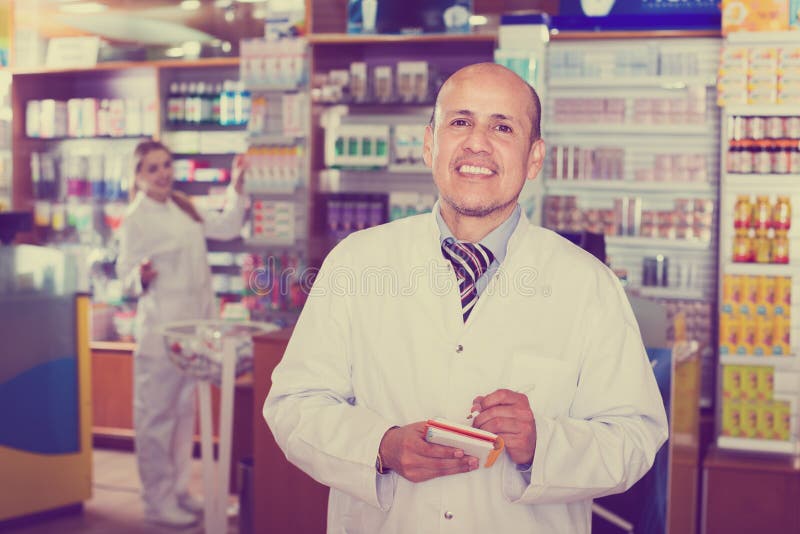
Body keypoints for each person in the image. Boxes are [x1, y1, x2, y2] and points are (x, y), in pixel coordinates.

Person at [263, 63, 668, 533]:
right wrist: (381, 446)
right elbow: (293, 405)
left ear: (534, 158)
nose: (478, 142)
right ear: (429, 144)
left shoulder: (587, 284)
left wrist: (543, 443)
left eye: (502, 126)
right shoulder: (356, 263)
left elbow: (635, 436)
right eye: (460, 121)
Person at [116, 139, 248, 528]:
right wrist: (138, 276)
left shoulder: (182, 204)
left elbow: (225, 226)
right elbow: (123, 278)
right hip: (160, 334)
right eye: (152, 168)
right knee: (156, 418)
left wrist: (237, 186)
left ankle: (177, 492)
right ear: (138, 176)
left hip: (195, 332)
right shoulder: (136, 218)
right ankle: (156, 501)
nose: (162, 174)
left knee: (184, 414)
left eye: (166, 165)